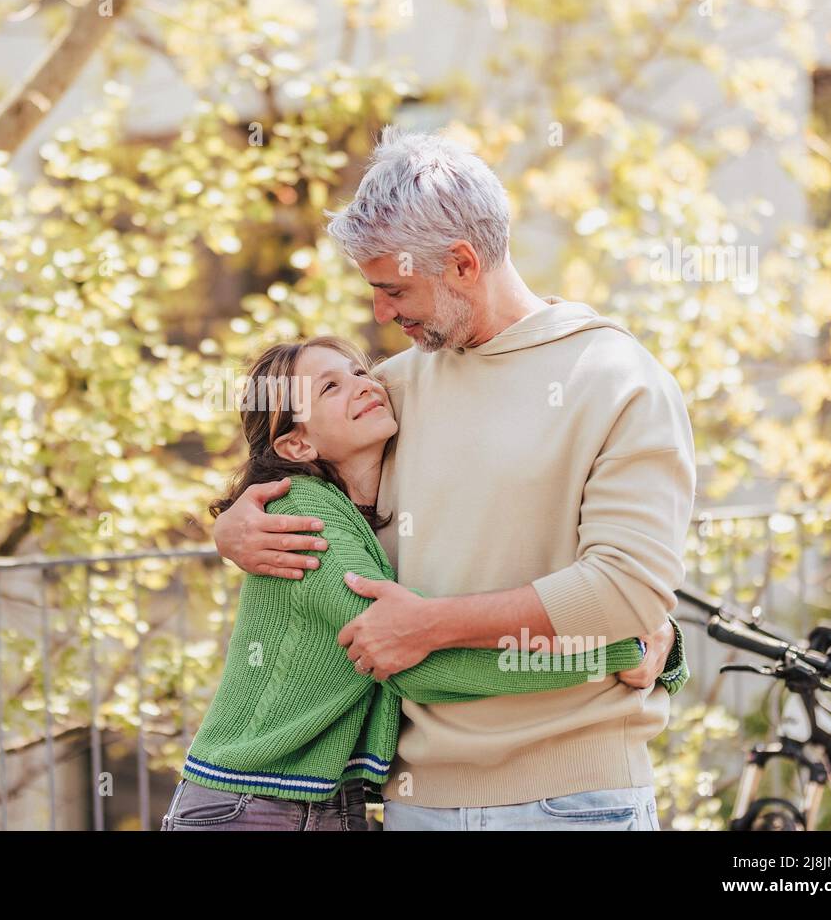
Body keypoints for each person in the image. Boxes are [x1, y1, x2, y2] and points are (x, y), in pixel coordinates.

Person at [211, 127, 697, 831]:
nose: (381, 313)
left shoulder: (616, 382)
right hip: (418, 803)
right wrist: (231, 529)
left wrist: (432, 625)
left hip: (577, 802)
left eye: (394, 289)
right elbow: (310, 488)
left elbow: (628, 588)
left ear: (464, 264)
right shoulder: (387, 394)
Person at [162, 336, 687, 831]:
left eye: (358, 371)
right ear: (297, 444)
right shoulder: (302, 514)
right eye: (330, 387)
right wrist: (619, 646)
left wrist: (643, 623)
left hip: (321, 799)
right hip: (251, 805)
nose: (364, 384)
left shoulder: (363, 502)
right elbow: (418, 664)